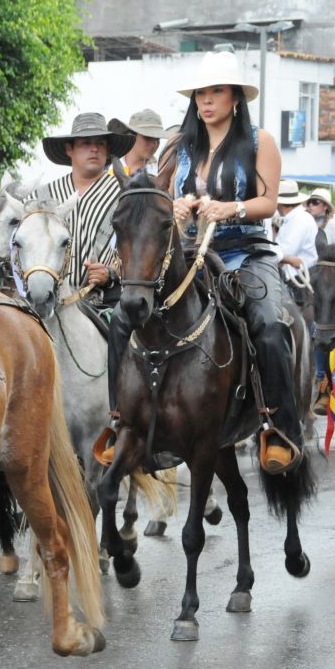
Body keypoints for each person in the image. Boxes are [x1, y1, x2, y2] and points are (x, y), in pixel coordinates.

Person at [101, 51, 298, 472]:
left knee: (268, 323)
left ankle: (276, 427)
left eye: (216, 92)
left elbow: (269, 202)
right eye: (200, 94)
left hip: (246, 252)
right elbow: (161, 199)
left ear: (235, 98)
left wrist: (231, 209)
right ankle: (120, 419)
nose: (206, 101)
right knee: (123, 318)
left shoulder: (260, 141)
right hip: (190, 254)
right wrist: (175, 208)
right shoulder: (180, 147)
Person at [33, 112, 133, 308]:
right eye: (85, 143)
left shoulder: (126, 195)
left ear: (108, 149)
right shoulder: (42, 196)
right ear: (69, 149)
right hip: (47, 300)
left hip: (107, 302)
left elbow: (141, 248)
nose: (94, 149)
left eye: (100, 143)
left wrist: (111, 272)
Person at [273, 179, 319, 290]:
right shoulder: (297, 218)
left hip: (296, 279)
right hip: (295, 276)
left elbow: (284, 252)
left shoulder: (299, 220)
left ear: (279, 203)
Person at [109, 109, 171, 177]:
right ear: (131, 136)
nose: (154, 144)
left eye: (157, 139)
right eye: (148, 137)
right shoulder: (109, 166)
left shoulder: (161, 174)